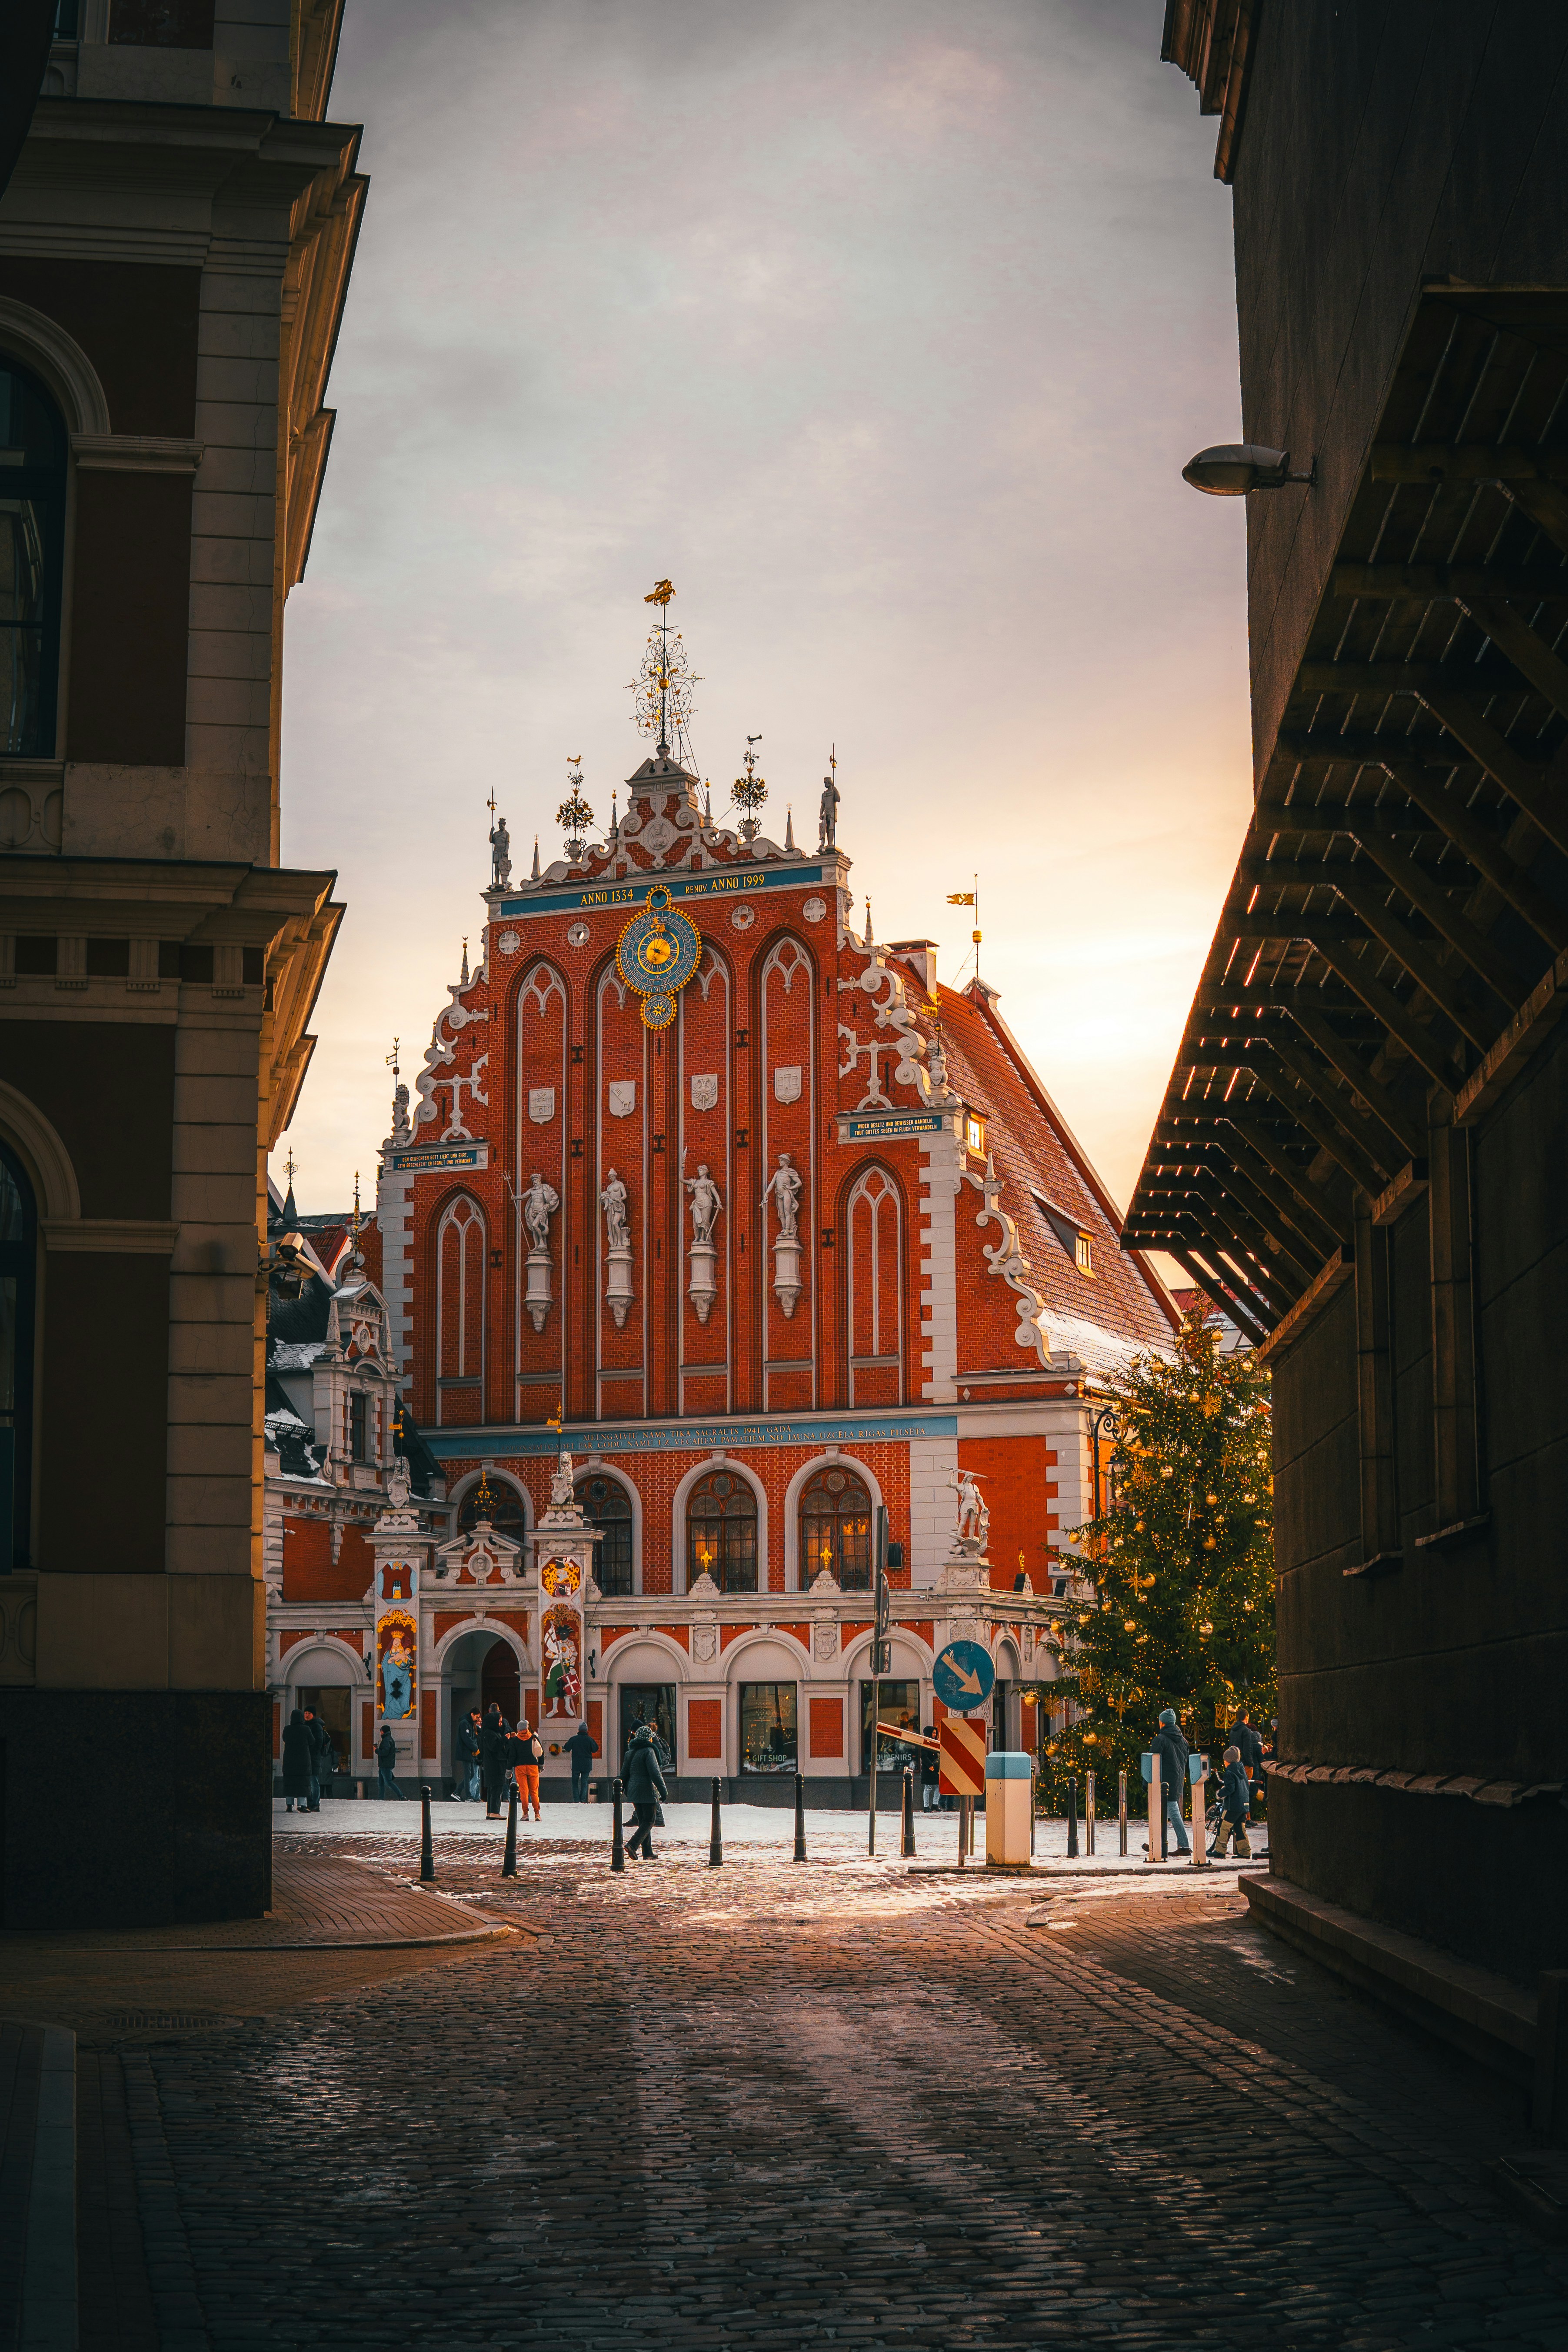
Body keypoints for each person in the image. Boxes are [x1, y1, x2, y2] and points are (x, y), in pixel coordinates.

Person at [623, 1722, 668, 1860]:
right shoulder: (649, 1751)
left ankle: (648, 1853)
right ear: (648, 1738)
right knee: (650, 1821)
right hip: (647, 1791)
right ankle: (632, 1845)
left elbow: (624, 1774)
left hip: (634, 1792)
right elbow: (655, 1773)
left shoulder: (630, 1752)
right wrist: (663, 1791)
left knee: (643, 1821)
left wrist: (619, 1791)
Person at [1151, 1706, 1191, 1858]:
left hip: (1163, 1782)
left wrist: (1147, 1782)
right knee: (1163, 1812)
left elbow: (1154, 1762)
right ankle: (1158, 1842)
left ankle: (1185, 1845)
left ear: (1163, 1723)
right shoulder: (1184, 1741)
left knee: (1173, 1813)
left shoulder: (1160, 1740)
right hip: (1178, 1779)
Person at [1210, 1745, 1253, 1859]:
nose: (1224, 1762)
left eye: (1225, 1760)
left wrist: (1220, 1793)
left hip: (1232, 1806)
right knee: (1240, 1828)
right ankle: (1245, 1852)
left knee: (1223, 1827)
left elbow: (1230, 1788)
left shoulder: (1230, 1772)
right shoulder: (1242, 1771)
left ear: (1229, 1761)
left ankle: (1220, 1851)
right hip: (1244, 1805)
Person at [1229, 1711, 1264, 1810]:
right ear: (1246, 1717)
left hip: (1235, 1763)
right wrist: (1251, 1764)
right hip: (1245, 1764)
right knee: (1246, 1791)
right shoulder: (1245, 1731)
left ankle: (1241, 1816)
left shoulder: (1233, 1730)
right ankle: (1246, 1817)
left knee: (1239, 1790)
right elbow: (1247, 1749)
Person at [281, 1706, 313, 1812]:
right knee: (303, 1782)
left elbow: (284, 1739)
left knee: (290, 1782)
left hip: (289, 1760)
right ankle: (302, 1805)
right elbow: (312, 1741)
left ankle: (289, 1805)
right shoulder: (306, 1729)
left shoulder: (287, 1729)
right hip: (303, 1760)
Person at [480, 1702, 507, 1819]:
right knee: (497, 1789)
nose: (501, 1724)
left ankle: (491, 1811)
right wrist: (505, 1740)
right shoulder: (490, 1734)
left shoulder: (489, 1732)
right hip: (496, 1765)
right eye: (499, 1722)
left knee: (492, 1789)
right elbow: (495, 1747)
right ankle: (495, 1812)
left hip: (492, 1764)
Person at [515, 1722, 544, 1821]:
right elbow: (541, 1752)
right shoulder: (534, 1738)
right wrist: (541, 1765)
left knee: (524, 1791)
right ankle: (537, 1814)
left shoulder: (516, 1740)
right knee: (534, 1792)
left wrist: (509, 1769)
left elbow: (512, 1756)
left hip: (520, 1767)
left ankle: (525, 1814)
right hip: (533, 1767)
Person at [565, 1721, 599, 1802]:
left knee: (575, 1783)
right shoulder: (590, 1740)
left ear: (579, 1730)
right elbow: (596, 1749)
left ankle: (577, 1800)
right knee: (584, 1783)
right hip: (587, 1765)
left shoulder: (574, 1739)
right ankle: (583, 1799)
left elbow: (567, 1748)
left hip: (576, 1765)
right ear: (586, 1730)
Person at [454, 1708, 482, 1802]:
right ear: (472, 1714)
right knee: (468, 1774)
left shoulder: (470, 1723)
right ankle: (469, 1796)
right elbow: (467, 1738)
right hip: (465, 1752)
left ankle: (457, 1792)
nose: (477, 1719)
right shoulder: (465, 1723)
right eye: (477, 1717)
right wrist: (475, 1748)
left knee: (472, 1774)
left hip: (469, 1752)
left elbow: (473, 1737)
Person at [376, 1725, 405, 1800]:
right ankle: (381, 1798)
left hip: (385, 1765)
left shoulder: (386, 1740)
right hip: (384, 1765)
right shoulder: (389, 1739)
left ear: (383, 1731)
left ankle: (401, 1796)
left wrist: (376, 1750)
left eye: (381, 1731)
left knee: (388, 1782)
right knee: (381, 1783)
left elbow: (385, 1752)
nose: (380, 1732)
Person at [920, 1725, 940, 1812]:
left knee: (938, 1786)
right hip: (928, 1770)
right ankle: (926, 1806)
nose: (935, 1735)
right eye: (933, 1733)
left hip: (935, 1769)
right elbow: (923, 1756)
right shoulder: (925, 1743)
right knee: (928, 1787)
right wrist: (930, 1765)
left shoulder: (934, 1743)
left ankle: (935, 1804)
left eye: (936, 1733)